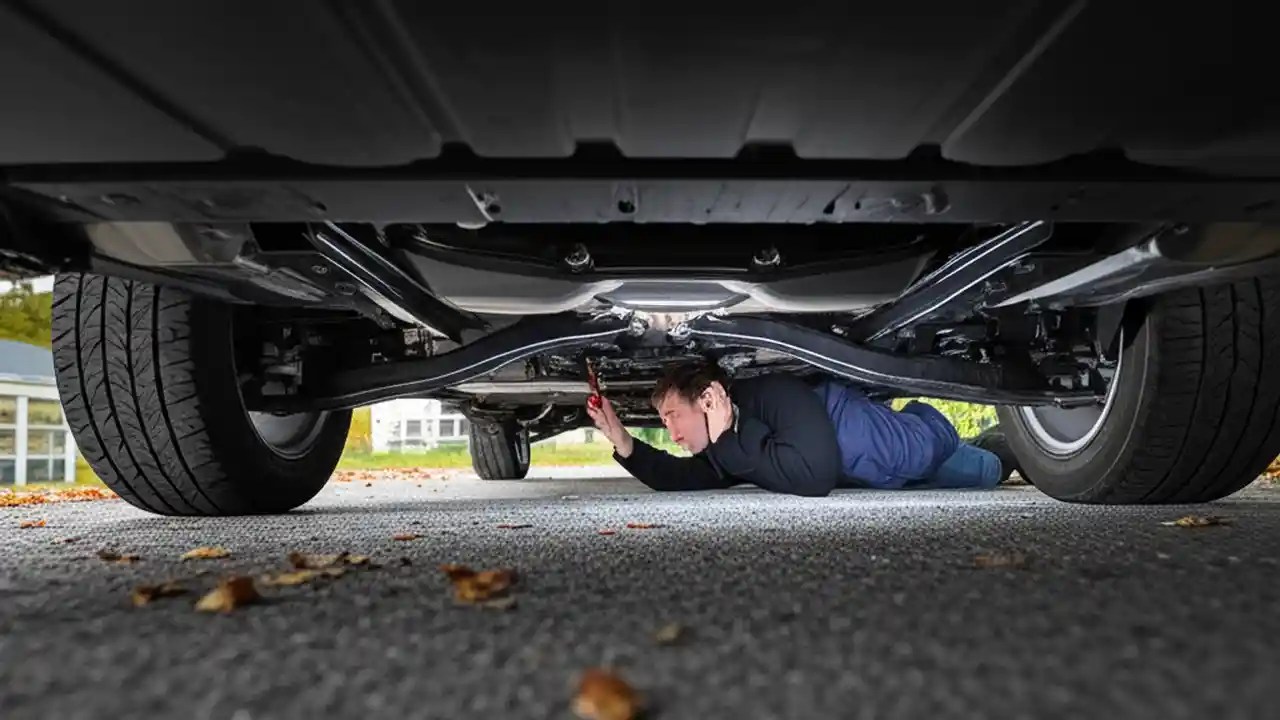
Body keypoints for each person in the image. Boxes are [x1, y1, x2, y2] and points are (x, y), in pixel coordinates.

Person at [584, 360, 1018, 496]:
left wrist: (732, 439)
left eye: (672, 416)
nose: (672, 433)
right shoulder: (725, 444)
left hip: (869, 442)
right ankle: (990, 446)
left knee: (984, 469)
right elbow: (678, 477)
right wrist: (621, 440)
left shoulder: (770, 393)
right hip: (868, 472)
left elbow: (815, 479)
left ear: (709, 398)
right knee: (969, 468)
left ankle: (1011, 446)